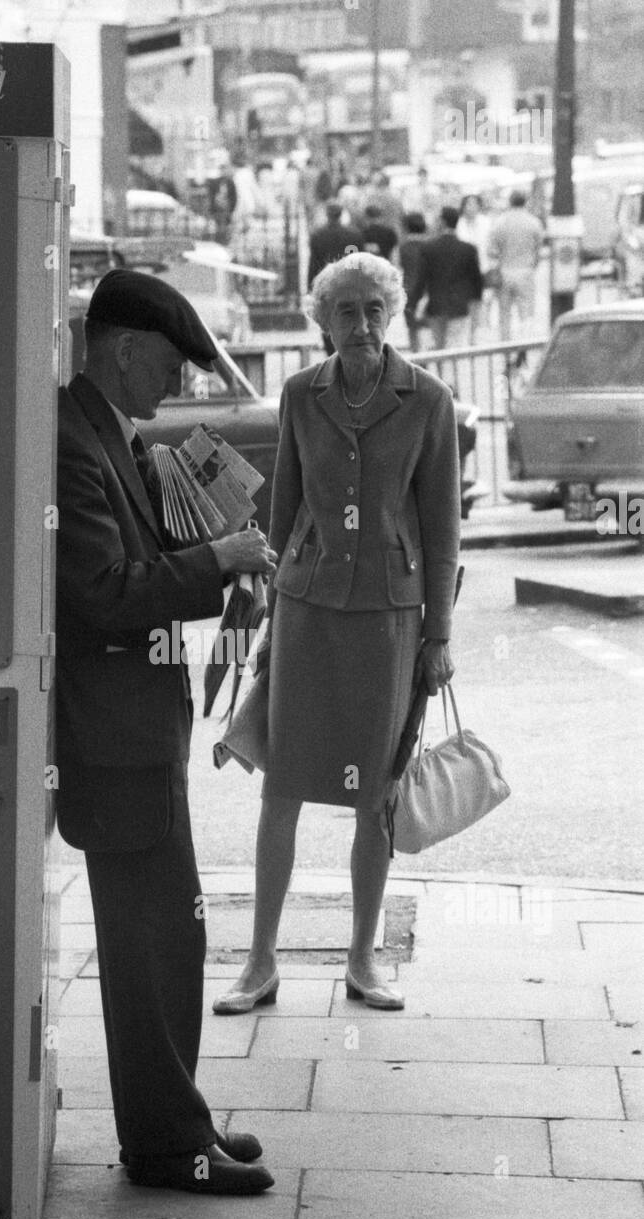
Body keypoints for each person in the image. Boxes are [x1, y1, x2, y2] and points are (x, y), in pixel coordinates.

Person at [55, 268, 278, 1194]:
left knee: (174, 937)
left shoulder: (110, 434)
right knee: (147, 945)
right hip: (112, 739)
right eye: (171, 367)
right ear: (125, 349)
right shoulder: (74, 443)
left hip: (141, 730)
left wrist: (220, 565)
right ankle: (163, 1147)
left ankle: (178, 1118)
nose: (178, 387)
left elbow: (141, 563)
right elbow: (104, 594)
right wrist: (214, 560)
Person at [212, 252, 459, 1016]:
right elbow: (285, 504)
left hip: (390, 617)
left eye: (374, 309)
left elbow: (442, 524)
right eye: (346, 311)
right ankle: (259, 962)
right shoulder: (299, 395)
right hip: (308, 609)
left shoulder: (428, 400)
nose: (362, 324)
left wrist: (439, 635)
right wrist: (265, 604)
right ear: (323, 321)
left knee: (376, 796)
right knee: (282, 785)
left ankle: (362, 958)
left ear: (394, 314)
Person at [408, 205, 484, 350]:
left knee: (438, 347)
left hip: (435, 305)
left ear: (442, 222)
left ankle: (441, 372)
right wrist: (476, 300)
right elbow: (476, 279)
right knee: (454, 346)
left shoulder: (428, 248)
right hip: (459, 306)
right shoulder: (468, 249)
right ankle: (451, 372)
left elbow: (421, 280)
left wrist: (413, 302)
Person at [487, 189, 544, 341]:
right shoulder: (533, 222)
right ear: (525, 201)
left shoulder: (499, 222)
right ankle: (523, 348)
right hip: (526, 271)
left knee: (504, 314)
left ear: (509, 202)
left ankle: (506, 352)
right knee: (526, 313)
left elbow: (492, 251)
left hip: (504, 271)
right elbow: (539, 250)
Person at [308, 201, 364, 353]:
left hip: (326, 284)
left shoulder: (318, 236)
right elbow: (356, 260)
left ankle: (331, 350)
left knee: (328, 318)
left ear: (327, 215)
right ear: (341, 215)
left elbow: (315, 263)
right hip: (348, 284)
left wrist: (311, 288)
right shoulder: (353, 235)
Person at [456, 193, 493, 341]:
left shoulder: (486, 223)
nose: (471, 208)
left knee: (480, 302)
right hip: (462, 271)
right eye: (468, 204)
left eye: (474, 204)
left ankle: (475, 334)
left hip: (482, 268)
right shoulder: (458, 224)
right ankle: (465, 334)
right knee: (464, 303)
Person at [398, 211, 428, 351]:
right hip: (428, 290)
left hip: (409, 290)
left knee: (413, 329)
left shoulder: (403, 248)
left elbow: (400, 267)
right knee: (428, 328)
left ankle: (418, 357)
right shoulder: (430, 245)